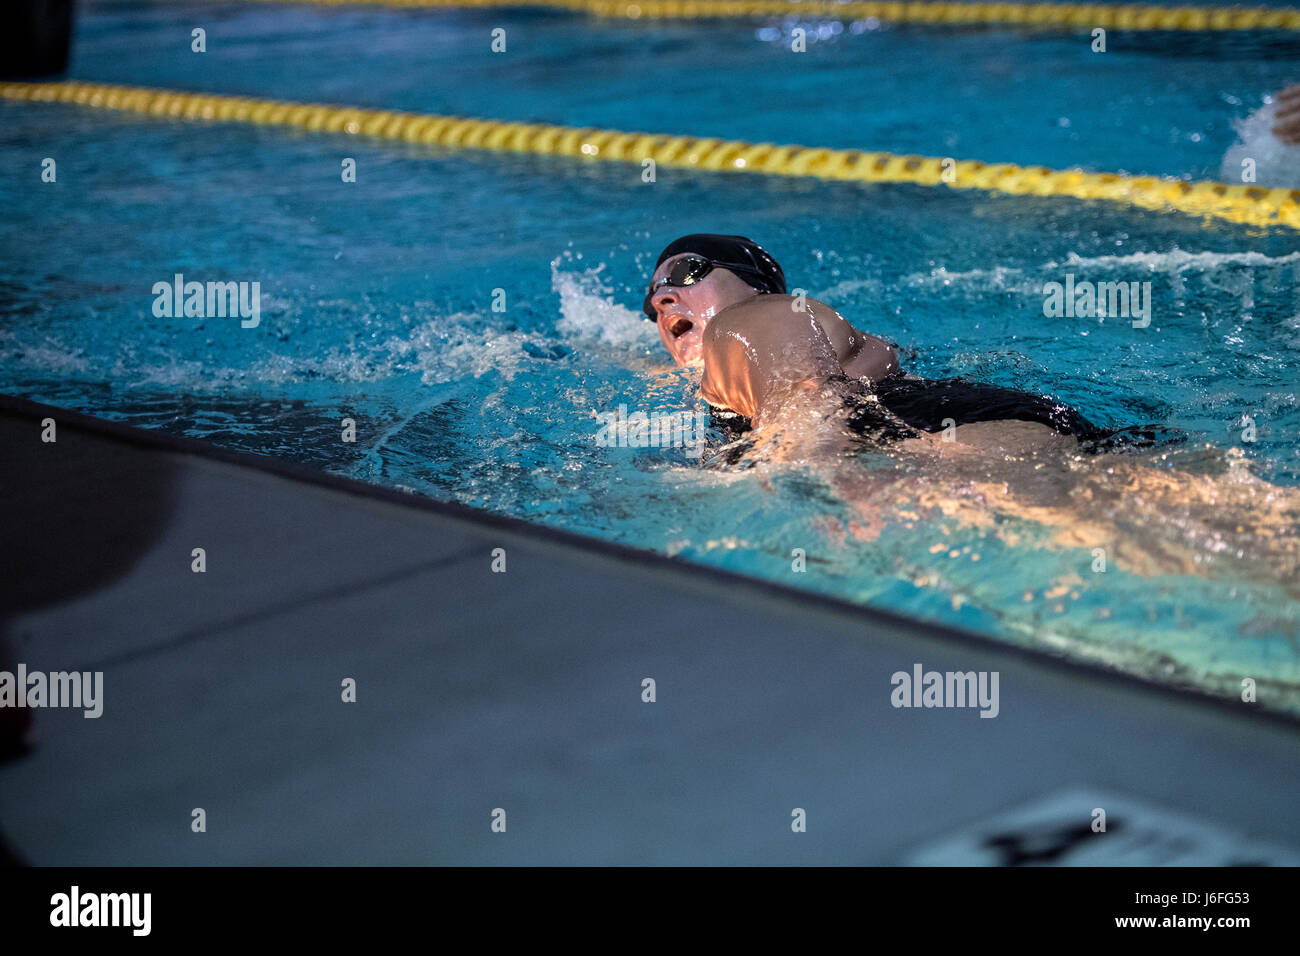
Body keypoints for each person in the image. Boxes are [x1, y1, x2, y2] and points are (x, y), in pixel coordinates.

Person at [643, 234, 1160, 455]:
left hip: (976, 450)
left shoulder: (751, 318)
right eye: (652, 303)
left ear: (755, 285)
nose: (664, 298)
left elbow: (807, 415)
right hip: (1003, 440)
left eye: (687, 273)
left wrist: (814, 484)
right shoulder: (725, 375)